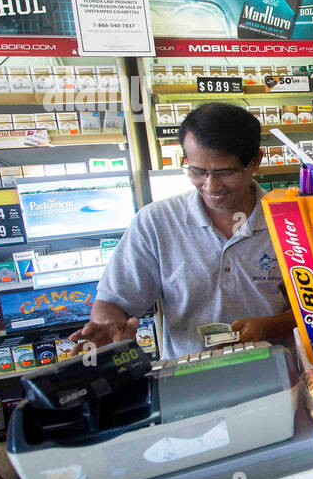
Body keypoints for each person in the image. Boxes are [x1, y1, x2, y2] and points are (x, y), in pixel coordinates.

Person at [70, 102, 295, 360]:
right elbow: (114, 301)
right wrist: (108, 327)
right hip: (185, 380)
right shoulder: (155, 222)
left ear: (255, 161)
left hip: (278, 377)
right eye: (197, 171)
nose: (211, 186)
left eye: (224, 172)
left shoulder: (289, 220)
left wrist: (271, 326)